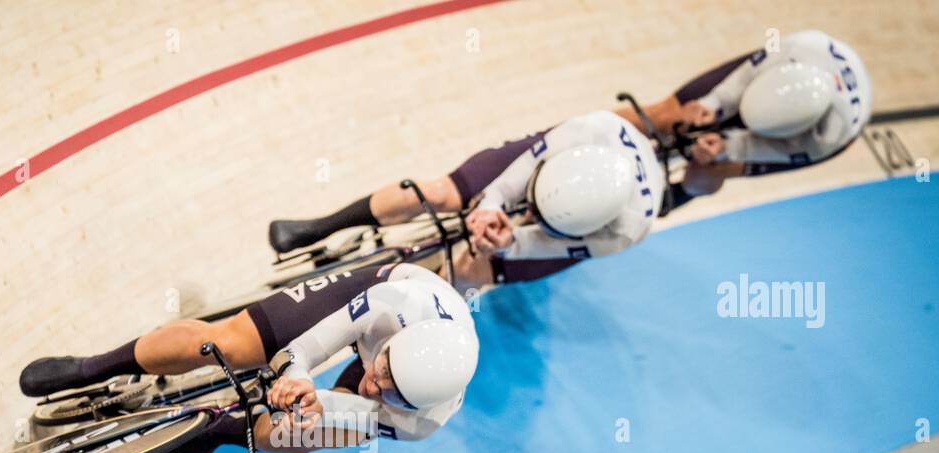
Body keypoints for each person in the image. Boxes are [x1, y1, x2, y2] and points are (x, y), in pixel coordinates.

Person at [19, 262, 479, 453]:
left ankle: (219, 432)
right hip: (367, 302)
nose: (375, 388)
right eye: (381, 372)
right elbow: (302, 349)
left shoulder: (422, 422)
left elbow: (339, 414)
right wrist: (296, 375)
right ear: (395, 343)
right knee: (230, 343)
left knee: (306, 430)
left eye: (392, 393)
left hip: (396, 378)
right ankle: (95, 366)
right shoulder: (394, 303)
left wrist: (317, 406)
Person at [268, 110, 665, 289]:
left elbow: (548, 245)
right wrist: (490, 204)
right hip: (553, 163)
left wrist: (510, 242)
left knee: (472, 272)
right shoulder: (589, 130)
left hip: (581, 224)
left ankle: (397, 318)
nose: (527, 213)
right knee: (439, 192)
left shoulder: (628, 230)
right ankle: (319, 226)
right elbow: (519, 173)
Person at [615, 29, 872, 207]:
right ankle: (588, 130)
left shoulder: (829, 136)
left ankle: (667, 200)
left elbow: (764, 147)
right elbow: (742, 80)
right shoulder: (800, 46)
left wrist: (727, 149)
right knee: (666, 115)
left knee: (706, 175)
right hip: (776, 71)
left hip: (813, 137)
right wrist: (710, 104)